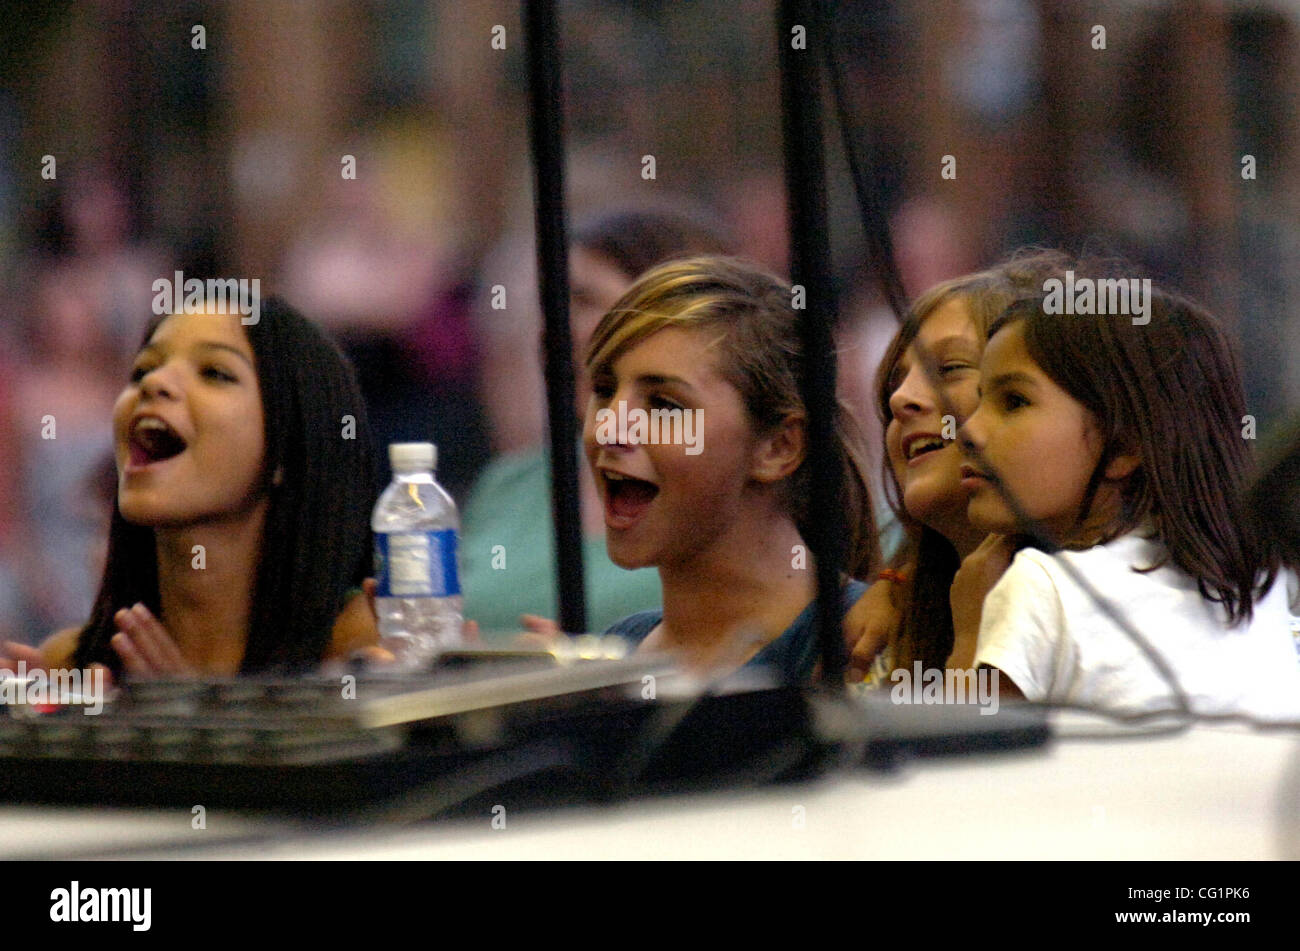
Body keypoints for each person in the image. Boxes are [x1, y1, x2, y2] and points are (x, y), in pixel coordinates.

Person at [955, 284, 1300, 718]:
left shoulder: (1043, 586)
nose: (967, 430)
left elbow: (967, 771)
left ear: (1123, 446)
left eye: (1014, 401)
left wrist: (970, 632)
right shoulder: (1262, 581)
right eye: (979, 400)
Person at [1, 298, 381, 679]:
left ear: (290, 445)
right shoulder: (71, 666)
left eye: (214, 372)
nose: (153, 383)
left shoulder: (360, 648)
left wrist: (189, 719)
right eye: (142, 370)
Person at [586, 256, 879, 683]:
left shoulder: (864, 642)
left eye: (664, 405)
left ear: (779, 447)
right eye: (604, 391)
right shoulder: (616, 650)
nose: (608, 429)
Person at [461, 207, 731, 636]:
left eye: (583, 301)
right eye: (551, 303)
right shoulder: (510, 483)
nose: (552, 327)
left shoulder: (730, 483)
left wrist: (593, 674)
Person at [845, 250, 1069, 680]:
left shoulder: (1100, 608)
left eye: (948, 369)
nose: (899, 399)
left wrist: (971, 645)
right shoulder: (881, 622)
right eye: (897, 380)